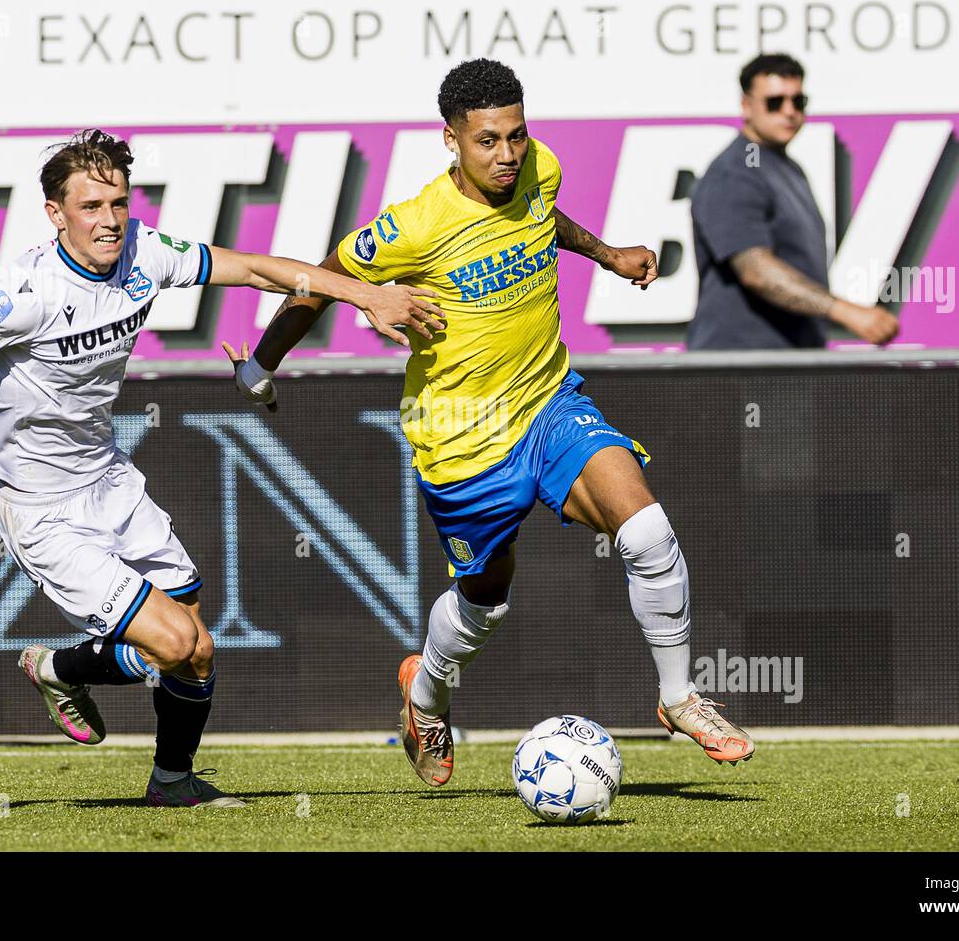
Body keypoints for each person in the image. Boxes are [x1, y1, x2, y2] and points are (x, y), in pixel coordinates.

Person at [235, 59, 754, 787]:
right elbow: (319, 282)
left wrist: (608, 255)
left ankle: (678, 697)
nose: (507, 154)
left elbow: (543, 220)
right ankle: (426, 694)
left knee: (646, 531)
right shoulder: (415, 226)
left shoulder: (539, 167)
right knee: (484, 602)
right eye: (487, 141)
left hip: (550, 403)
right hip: (461, 437)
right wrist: (260, 367)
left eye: (516, 135)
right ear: (451, 140)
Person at [0, 129, 442, 807]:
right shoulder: (30, 293)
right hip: (41, 506)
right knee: (179, 642)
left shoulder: (145, 254)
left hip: (108, 477)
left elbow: (256, 269)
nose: (109, 220)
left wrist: (365, 295)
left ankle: (157, 767)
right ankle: (69, 676)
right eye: (90, 206)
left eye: (118, 203)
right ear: (55, 214)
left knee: (196, 648)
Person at [687, 52, 899, 349]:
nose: (789, 111)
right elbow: (755, 271)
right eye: (774, 102)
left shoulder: (787, 169)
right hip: (740, 361)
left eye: (797, 101)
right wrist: (844, 311)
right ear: (746, 106)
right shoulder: (734, 172)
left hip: (788, 359)